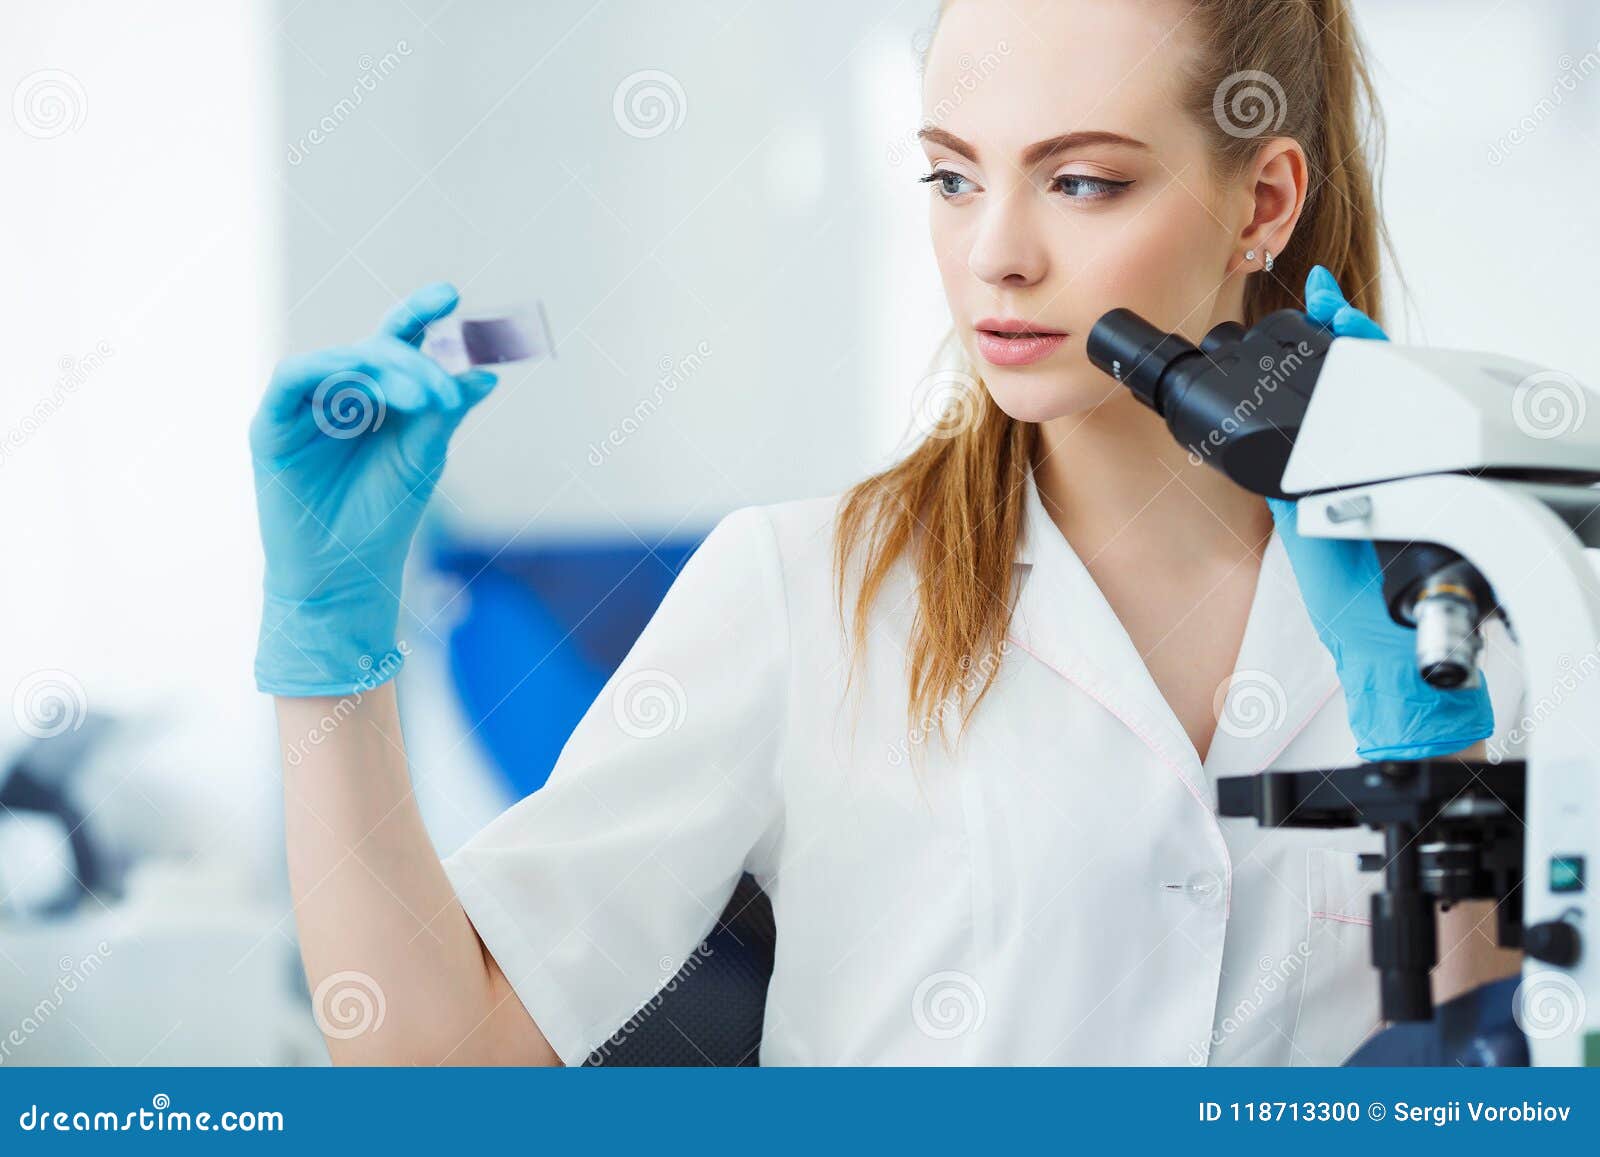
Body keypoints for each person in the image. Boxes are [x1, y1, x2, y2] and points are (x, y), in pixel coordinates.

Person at [249, 0, 1524, 1066]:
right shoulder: (805, 590)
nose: (996, 253)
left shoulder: (1470, 597)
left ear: (1264, 201)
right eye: (954, 177)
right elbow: (436, 1055)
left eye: (1080, 181)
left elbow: (1488, 1086)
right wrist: (330, 644)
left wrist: (1442, 752)